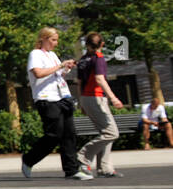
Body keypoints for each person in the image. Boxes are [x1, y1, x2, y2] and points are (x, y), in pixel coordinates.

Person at [21, 26, 91, 180]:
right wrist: (60, 65)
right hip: (46, 99)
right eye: (53, 40)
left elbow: (57, 75)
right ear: (44, 39)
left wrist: (65, 68)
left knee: (69, 134)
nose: (56, 43)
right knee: (54, 135)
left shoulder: (52, 55)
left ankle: (71, 170)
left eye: (56, 40)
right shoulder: (35, 54)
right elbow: (38, 73)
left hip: (63, 97)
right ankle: (28, 159)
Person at [75, 32, 124, 177]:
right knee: (112, 133)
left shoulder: (83, 60)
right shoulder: (99, 58)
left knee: (106, 132)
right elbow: (100, 79)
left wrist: (81, 103)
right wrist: (113, 98)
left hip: (85, 98)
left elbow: (78, 83)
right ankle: (83, 157)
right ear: (102, 44)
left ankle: (104, 168)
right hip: (96, 98)